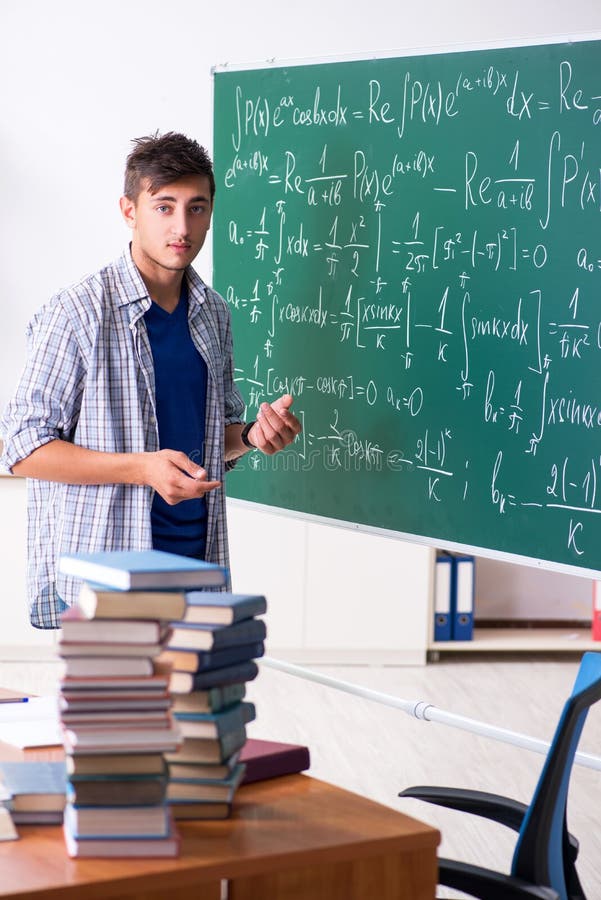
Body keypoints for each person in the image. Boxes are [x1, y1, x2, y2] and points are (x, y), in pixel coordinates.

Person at [1, 132, 301, 628]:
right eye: (164, 207)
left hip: (198, 573)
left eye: (197, 208)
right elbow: (21, 450)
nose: (182, 227)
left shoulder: (213, 315)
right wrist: (142, 469)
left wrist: (251, 436)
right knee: (124, 709)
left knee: (196, 708)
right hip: (108, 581)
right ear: (129, 210)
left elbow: (208, 440)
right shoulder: (76, 314)